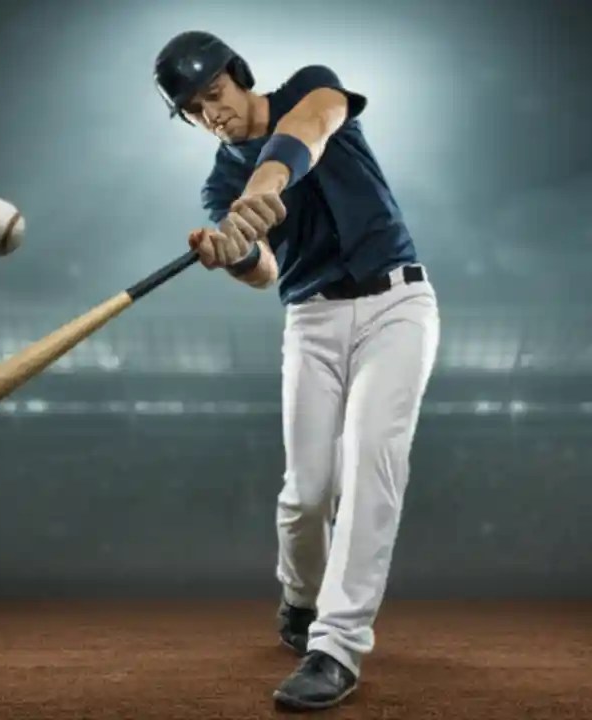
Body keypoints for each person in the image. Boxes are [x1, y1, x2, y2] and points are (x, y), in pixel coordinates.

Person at [153, 30, 440, 711]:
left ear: (238, 74)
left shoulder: (310, 86)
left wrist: (266, 183)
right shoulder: (218, 182)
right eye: (193, 109)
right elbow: (266, 274)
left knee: (372, 461)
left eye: (214, 94)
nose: (210, 115)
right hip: (310, 321)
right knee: (307, 494)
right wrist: (233, 252)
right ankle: (300, 596)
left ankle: (334, 647)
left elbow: (309, 130)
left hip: (397, 303)